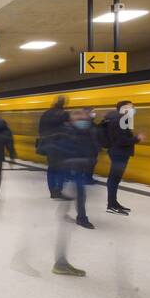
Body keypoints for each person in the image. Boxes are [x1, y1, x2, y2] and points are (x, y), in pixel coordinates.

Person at [50, 109, 98, 275]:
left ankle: (60, 262)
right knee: (62, 224)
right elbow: (58, 157)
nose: (82, 117)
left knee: (64, 221)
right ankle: (60, 263)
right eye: (77, 115)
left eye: (84, 115)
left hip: (75, 179)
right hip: (68, 180)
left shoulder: (83, 133)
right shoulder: (66, 133)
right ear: (70, 118)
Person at [102, 100, 144, 215]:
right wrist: (137, 138)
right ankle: (111, 205)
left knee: (115, 179)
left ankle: (114, 203)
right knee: (114, 179)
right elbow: (122, 140)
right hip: (119, 153)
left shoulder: (120, 119)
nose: (133, 109)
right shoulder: (119, 120)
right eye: (130, 107)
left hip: (119, 152)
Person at [37, 96, 69, 198]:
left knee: (51, 168)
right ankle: (58, 190)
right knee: (61, 168)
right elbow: (67, 130)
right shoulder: (64, 114)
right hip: (60, 144)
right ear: (64, 103)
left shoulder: (46, 114)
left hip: (48, 144)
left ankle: (52, 190)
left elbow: (40, 130)